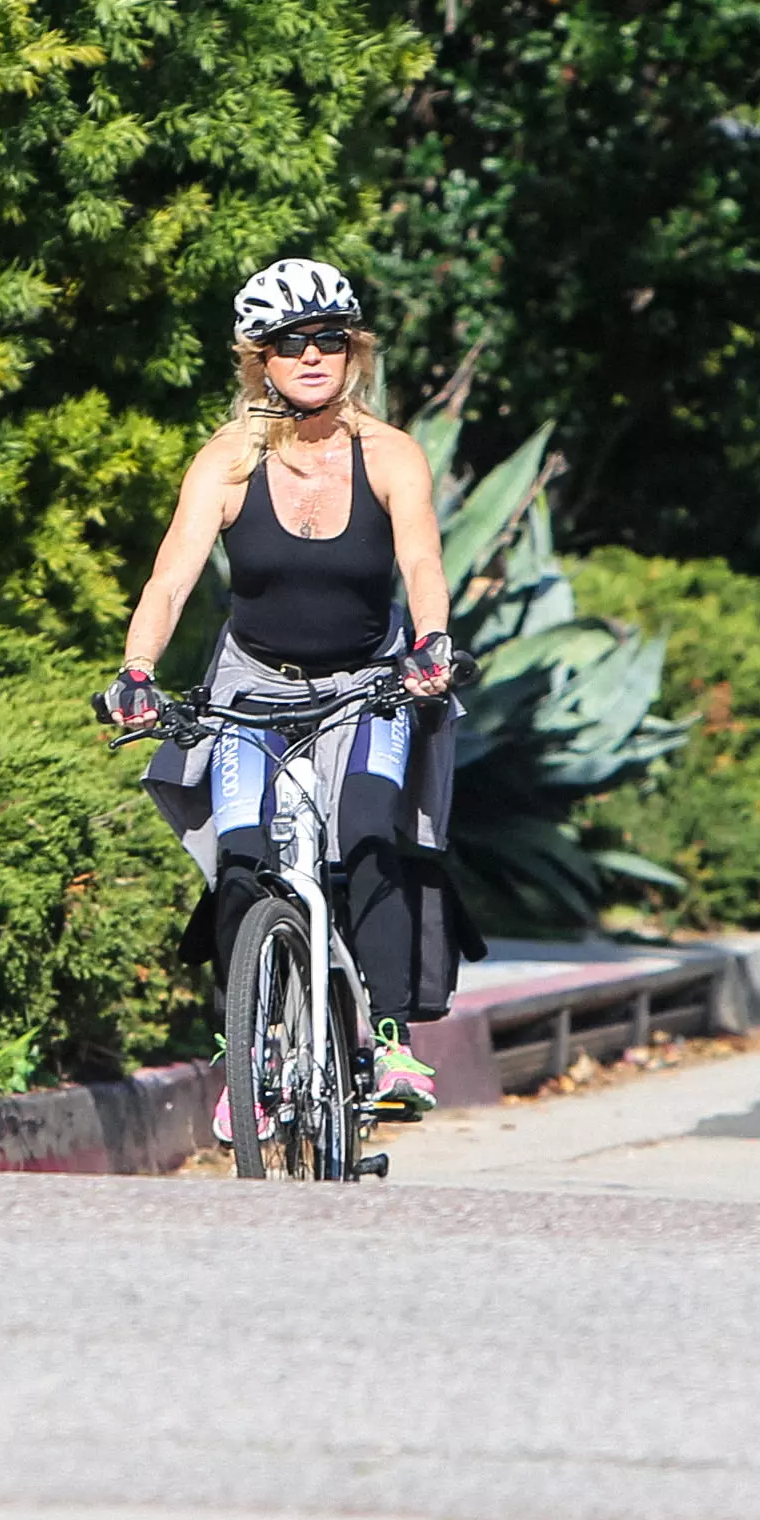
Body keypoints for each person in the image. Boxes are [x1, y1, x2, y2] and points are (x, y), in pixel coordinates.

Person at [107, 259, 468, 1118]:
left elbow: (421, 557)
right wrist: (136, 670)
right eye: (289, 343)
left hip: (369, 683)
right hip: (252, 690)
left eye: (329, 340)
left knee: (373, 829)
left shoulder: (390, 454)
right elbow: (170, 579)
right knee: (240, 857)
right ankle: (250, 1059)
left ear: (355, 351)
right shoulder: (229, 461)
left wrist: (431, 645)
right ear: (259, 360)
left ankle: (389, 1040)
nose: (312, 357)